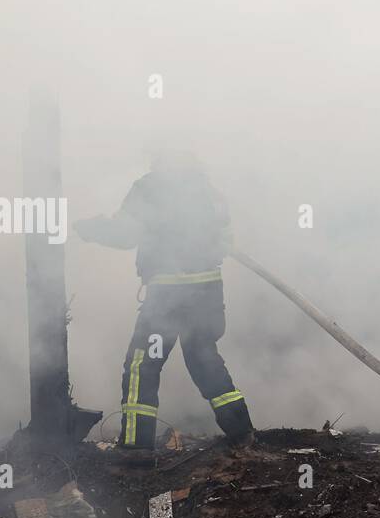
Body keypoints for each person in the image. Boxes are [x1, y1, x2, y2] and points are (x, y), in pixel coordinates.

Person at [76, 152, 255, 454]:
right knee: (203, 359)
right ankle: (242, 433)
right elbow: (226, 239)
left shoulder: (150, 188)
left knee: (141, 365)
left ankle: (136, 447)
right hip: (208, 293)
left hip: (169, 296)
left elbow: (125, 233)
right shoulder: (209, 191)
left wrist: (90, 229)